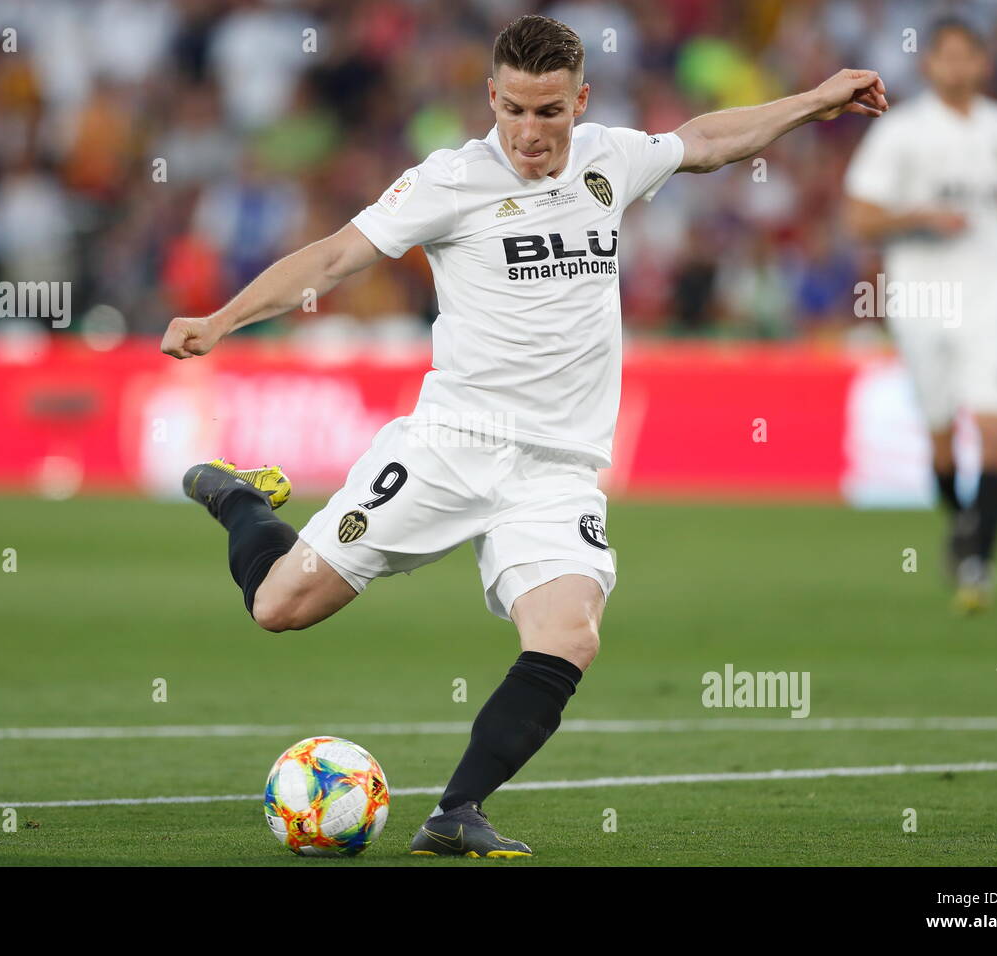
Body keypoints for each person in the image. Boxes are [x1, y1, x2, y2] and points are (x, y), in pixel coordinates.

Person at [162, 14, 887, 855]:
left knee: (570, 634)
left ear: (580, 101)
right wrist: (223, 319)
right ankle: (238, 496)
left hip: (559, 467)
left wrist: (818, 101)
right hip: (450, 443)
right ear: (491, 99)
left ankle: (455, 812)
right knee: (280, 606)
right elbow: (330, 260)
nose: (531, 133)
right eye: (514, 110)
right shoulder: (448, 181)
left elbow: (708, 138)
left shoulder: (611, 160)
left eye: (550, 112)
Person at [844, 16, 997, 613]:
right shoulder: (901, 133)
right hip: (921, 297)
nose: (959, 67)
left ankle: (978, 564)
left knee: (992, 431)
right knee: (942, 439)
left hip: (995, 293)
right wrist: (921, 217)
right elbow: (859, 217)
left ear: (984, 63)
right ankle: (961, 525)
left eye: (970, 56)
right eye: (949, 57)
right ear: (929, 64)